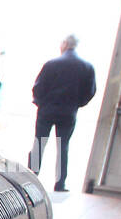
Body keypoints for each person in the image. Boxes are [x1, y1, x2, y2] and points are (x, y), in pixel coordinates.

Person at [30, 34, 97, 191]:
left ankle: (31, 179)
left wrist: (41, 103)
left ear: (65, 44)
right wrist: (77, 104)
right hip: (68, 112)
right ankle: (60, 184)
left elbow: (38, 88)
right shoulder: (86, 67)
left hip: (47, 110)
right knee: (63, 146)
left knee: (39, 144)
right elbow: (90, 91)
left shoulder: (52, 64)